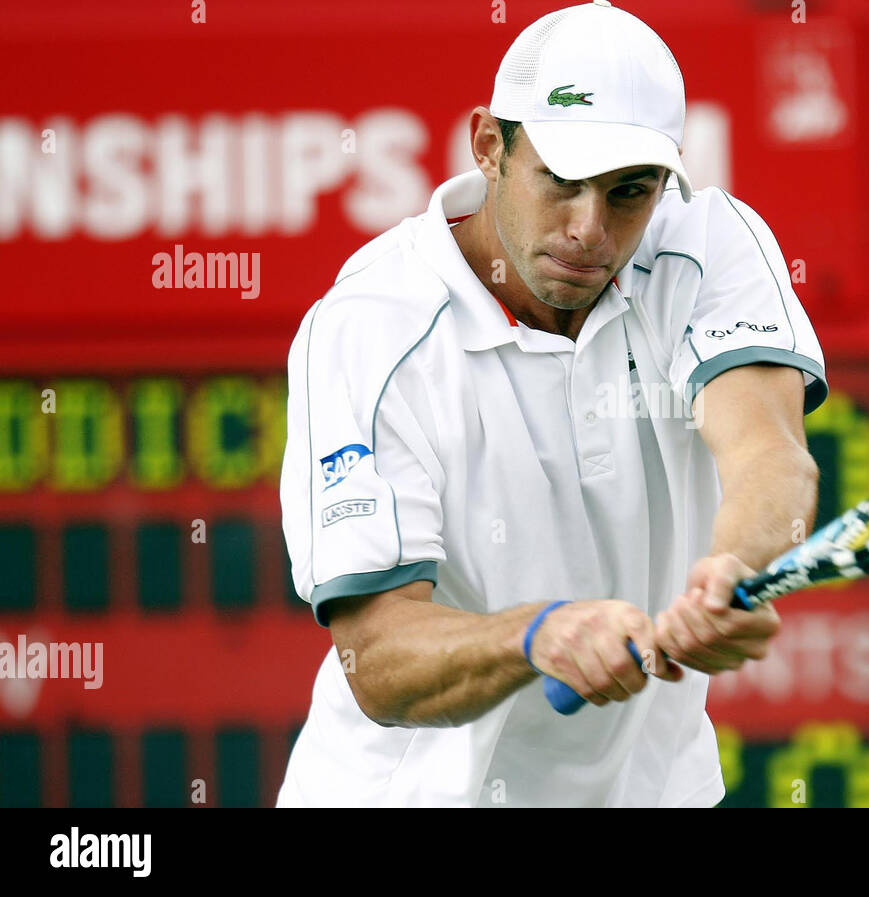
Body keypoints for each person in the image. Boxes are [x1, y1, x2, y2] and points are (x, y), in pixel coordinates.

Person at [275, 1, 827, 807]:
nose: (588, 230)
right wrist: (537, 633)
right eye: (562, 182)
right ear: (489, 146)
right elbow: (379, 661)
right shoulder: (367, 328)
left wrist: (734, 571)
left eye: (628, 192)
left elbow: (768, 454)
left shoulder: (708, 245)